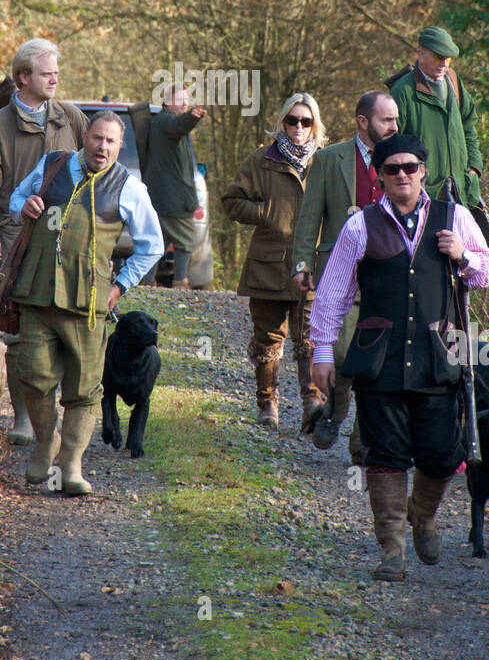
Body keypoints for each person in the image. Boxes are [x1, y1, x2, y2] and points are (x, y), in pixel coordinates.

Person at [310, 134, 489, 581]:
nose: (401, 176)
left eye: (409, 167)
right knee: (385, 456)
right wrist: (322, 351)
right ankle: (391, 551)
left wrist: (464, 257)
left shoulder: (456, 217)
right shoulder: (359, 226)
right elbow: (333, 294)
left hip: (440, 357)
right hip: (380, 361)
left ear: (423, 172)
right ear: (379, 175)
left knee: (441, 453)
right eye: (391, 169)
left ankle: (425, 514)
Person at [8, 111, 163, 494]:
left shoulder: (129, 187)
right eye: (97, 138)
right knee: (35, 376)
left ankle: (72, 466)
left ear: (119, 147)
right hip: (37, 294)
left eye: (111, 142)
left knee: (85, 388)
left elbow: (152, 246)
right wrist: (22, 206)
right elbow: (15, 197)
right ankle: (47, 443)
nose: (103, 147)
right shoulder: (52, 164)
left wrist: (119, 287)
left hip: (89, 305)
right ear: (84, 138)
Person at [0, 39, 87, 443]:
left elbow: (99, 168)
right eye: (46, 72)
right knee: (18, 333)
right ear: (23, 77)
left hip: (69, 240)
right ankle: (23, 419)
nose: (55, 79)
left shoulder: (70, 118)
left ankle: (59, 424)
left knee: (66, 328)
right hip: (16, 241)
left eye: (56, 72)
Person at [291, 90, 399, 460]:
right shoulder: (327, 159)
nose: (395, 126)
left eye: (396, 119)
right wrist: (302, 263)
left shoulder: (402, 162)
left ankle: (361, 440)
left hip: (386, 276)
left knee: (378, 361)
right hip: (340, 273)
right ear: (363, 122)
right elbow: (310, 216)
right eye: (387, 120)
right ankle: (335, 411)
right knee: (339, 354)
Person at [222, 93, 327, 431]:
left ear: (315, 125)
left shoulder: (325, 162)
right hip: (267, 263)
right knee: (267, 338)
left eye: (305, 121)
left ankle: (313, 401)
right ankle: (267, 404)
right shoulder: (261, 159)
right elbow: (231, 201)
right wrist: (265, 213)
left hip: (310, 265)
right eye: (292, 120)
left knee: (310, 335)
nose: (298, 127)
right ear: (283, 122)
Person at [389, 26, 483, 209]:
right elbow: (391, 146)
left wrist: (473, 167)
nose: (445, 64)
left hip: (461, 194)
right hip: (422, 200)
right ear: (420, 54)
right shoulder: (402, 91)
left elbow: (469, 124)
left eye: (448, 59)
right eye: (439, 57)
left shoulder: (454, 81)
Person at [142, 85, 206, 288]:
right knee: (186, 238)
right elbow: (180, 124)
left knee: (158, 239)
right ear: (168, 103)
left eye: (186, 100)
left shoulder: (163, 122)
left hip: (165, 196)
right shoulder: (166, 121)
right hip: (173, 198)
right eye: (180, 100)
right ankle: (180, 283)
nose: (185, 104)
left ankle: (147, 282)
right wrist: (193, 117)